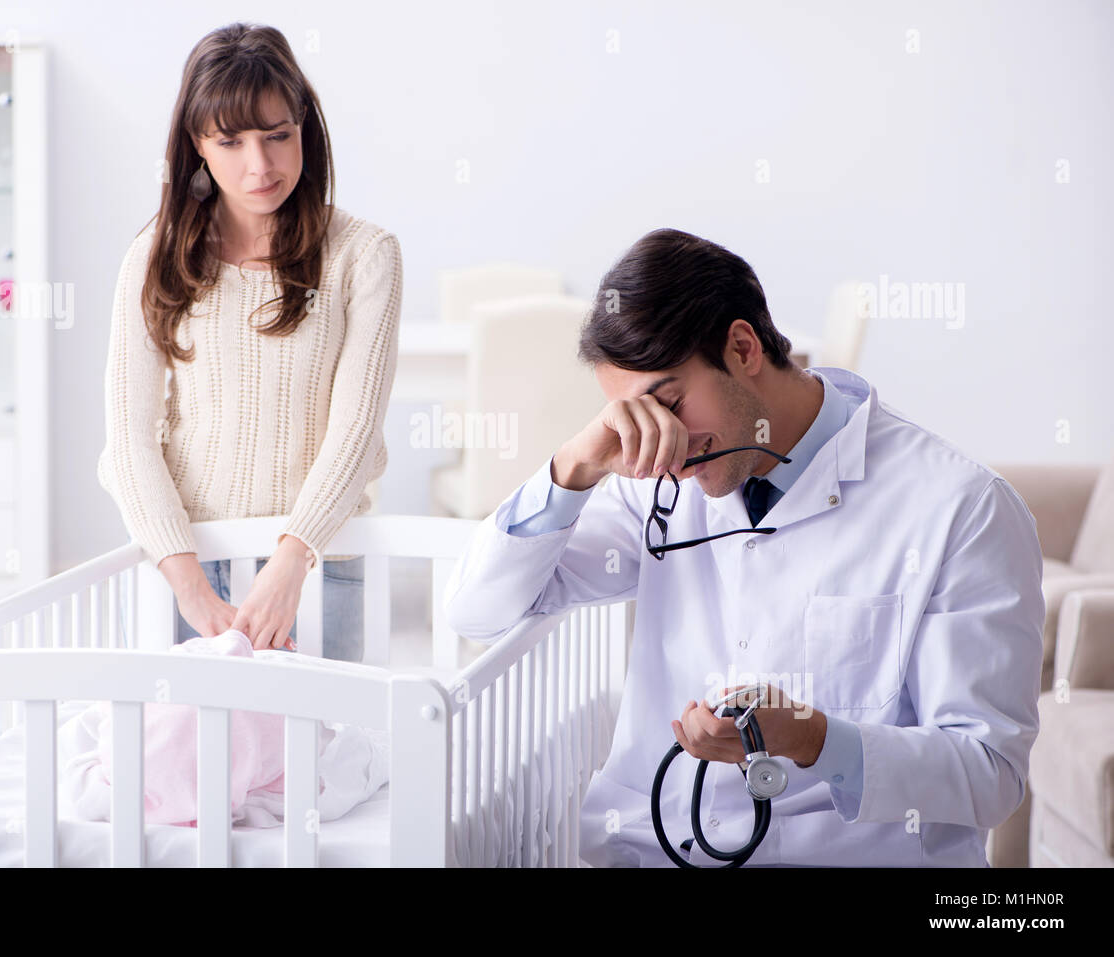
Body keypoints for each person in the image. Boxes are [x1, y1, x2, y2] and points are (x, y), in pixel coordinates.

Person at [443, 228, 1044, 866]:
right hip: (657, 850)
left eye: (669, 402)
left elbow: (990, 775)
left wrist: (817, 740)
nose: (660, 440)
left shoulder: (961, 506)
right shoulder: (651, 485)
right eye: (628, 414)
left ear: (742, 347)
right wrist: (573, 465)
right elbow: (476, 612)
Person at [98, 23, 402, 661]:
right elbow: (128, 442)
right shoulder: (152, 259)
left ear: (304, 130)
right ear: (197, 146)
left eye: (278, 136)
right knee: (184, 759)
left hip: (320, 560)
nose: (260, 166)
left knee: (329, 754)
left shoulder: (365, 255)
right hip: (190, 564)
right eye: (231, 141)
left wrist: (291, 562)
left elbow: (354, 435)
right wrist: (189, 587)